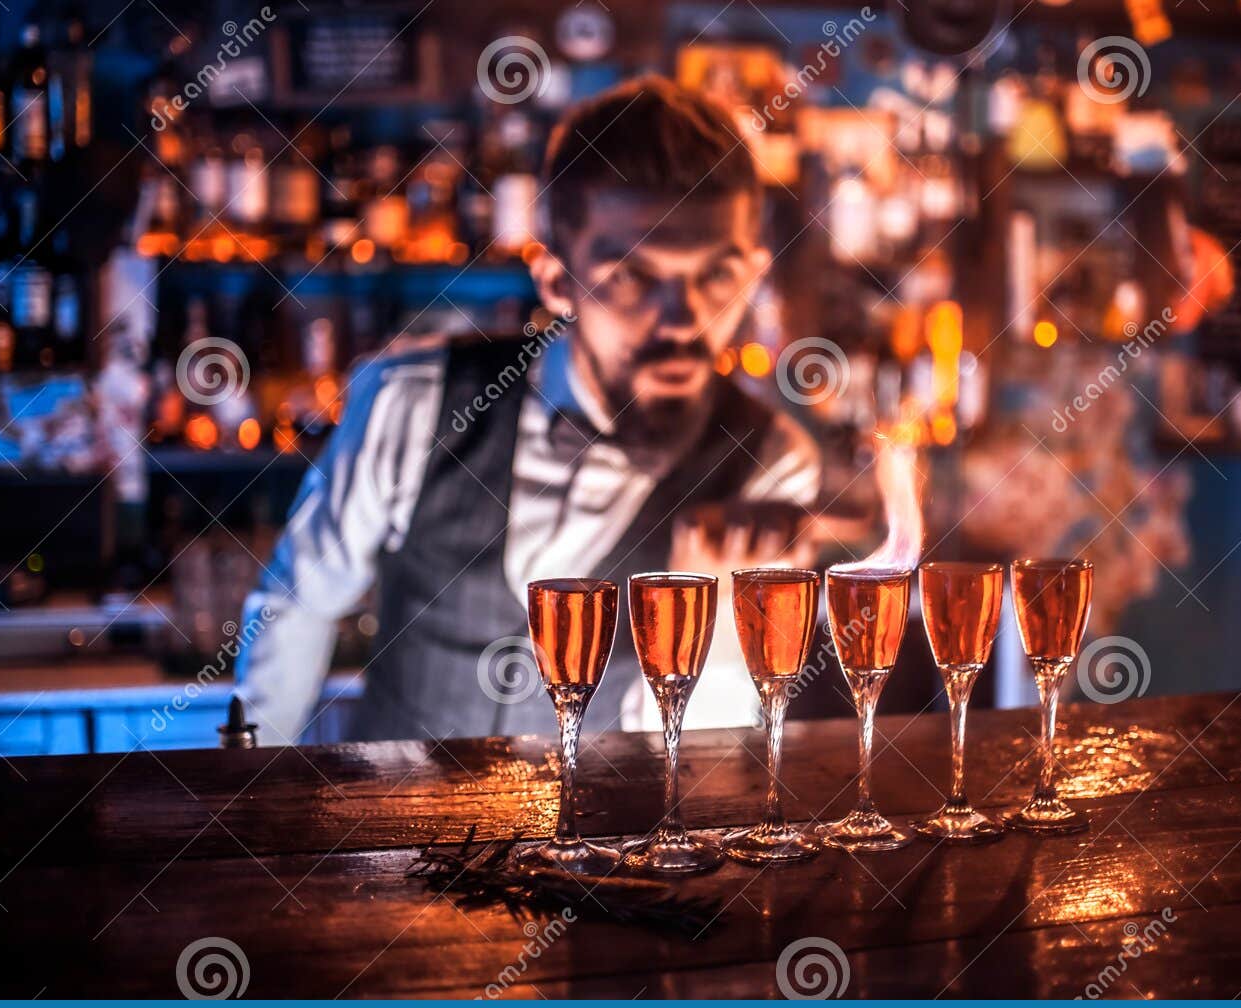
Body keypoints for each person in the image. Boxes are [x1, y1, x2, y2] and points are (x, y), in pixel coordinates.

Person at [237, 77, 820, 744]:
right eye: (632, 275)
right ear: (555, 279)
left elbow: (711, 767)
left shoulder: (770, 462)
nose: (683, 321)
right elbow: (298, 606)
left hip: (610, 845)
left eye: (715, 276)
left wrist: (716, 639)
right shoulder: (411, 401)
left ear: (752, 273)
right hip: (400, 839)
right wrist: (253, 796)